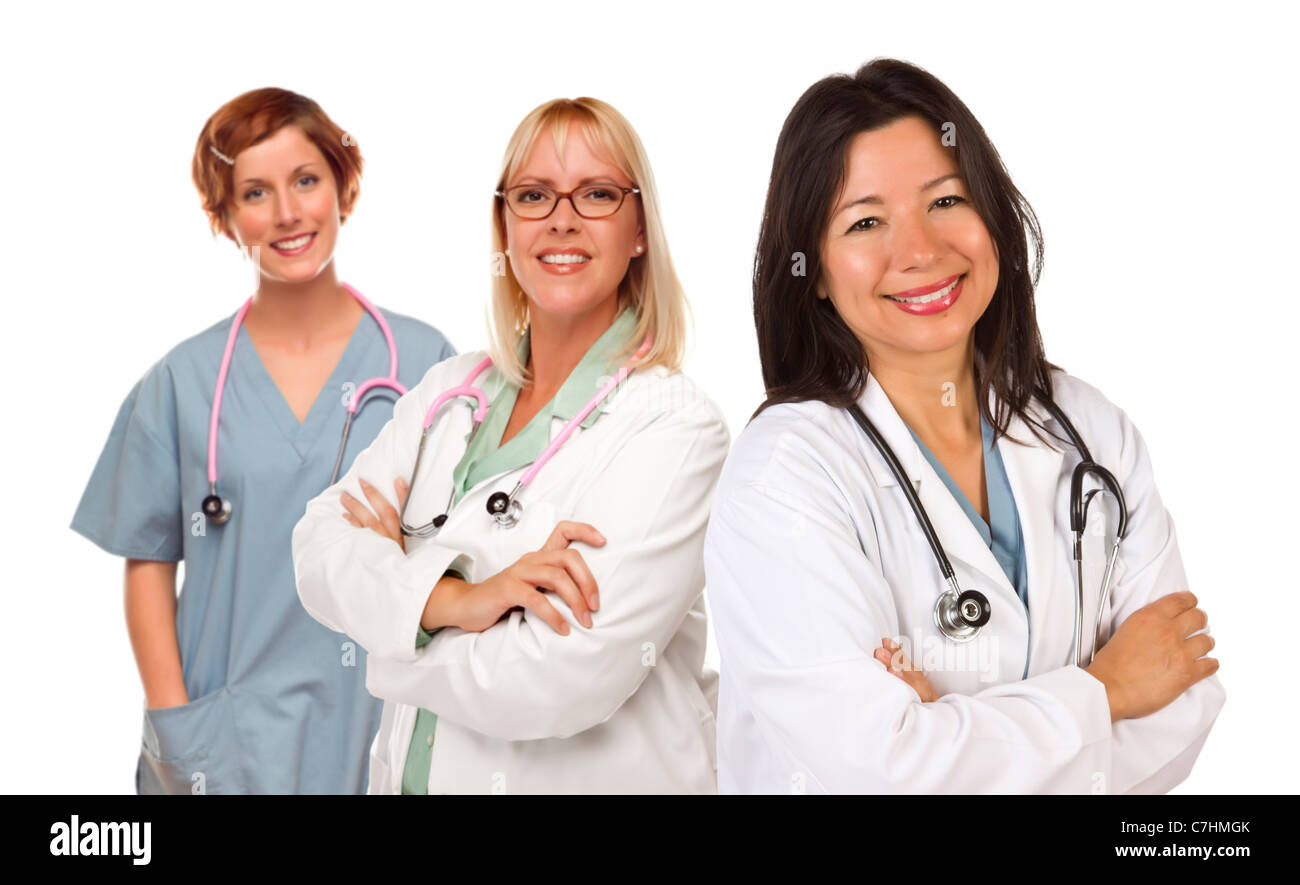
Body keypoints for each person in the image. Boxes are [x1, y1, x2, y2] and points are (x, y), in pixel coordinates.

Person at [703, 58, 1226, 794]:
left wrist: (952, 729)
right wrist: (1103, 692)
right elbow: (878, 772)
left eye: (945, 201)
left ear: (993, 214)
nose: (920, 250)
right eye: (865, 221)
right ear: (814, 270)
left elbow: (1183, 702)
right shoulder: (784, 477)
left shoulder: (1089, 431)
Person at [292, 97, 728, 794]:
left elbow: (557, 677)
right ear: (504, 225)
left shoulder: (676, 427)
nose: (562, 218)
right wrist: (460, 601)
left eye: (597, 194)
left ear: (639, 228)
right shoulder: (448, 391)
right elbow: (316, 547)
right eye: (533, 195)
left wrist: (392, 618)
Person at [70, 87, 456, 794]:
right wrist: (173, 726)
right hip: (227, 743)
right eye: (254, 192)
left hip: (375, 722)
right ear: (224, 218)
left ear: (345, 182)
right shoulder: (182, 382)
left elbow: (454, 550)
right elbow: (149, 562)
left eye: (306, 180)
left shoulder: (424, 362)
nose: (286, 213)